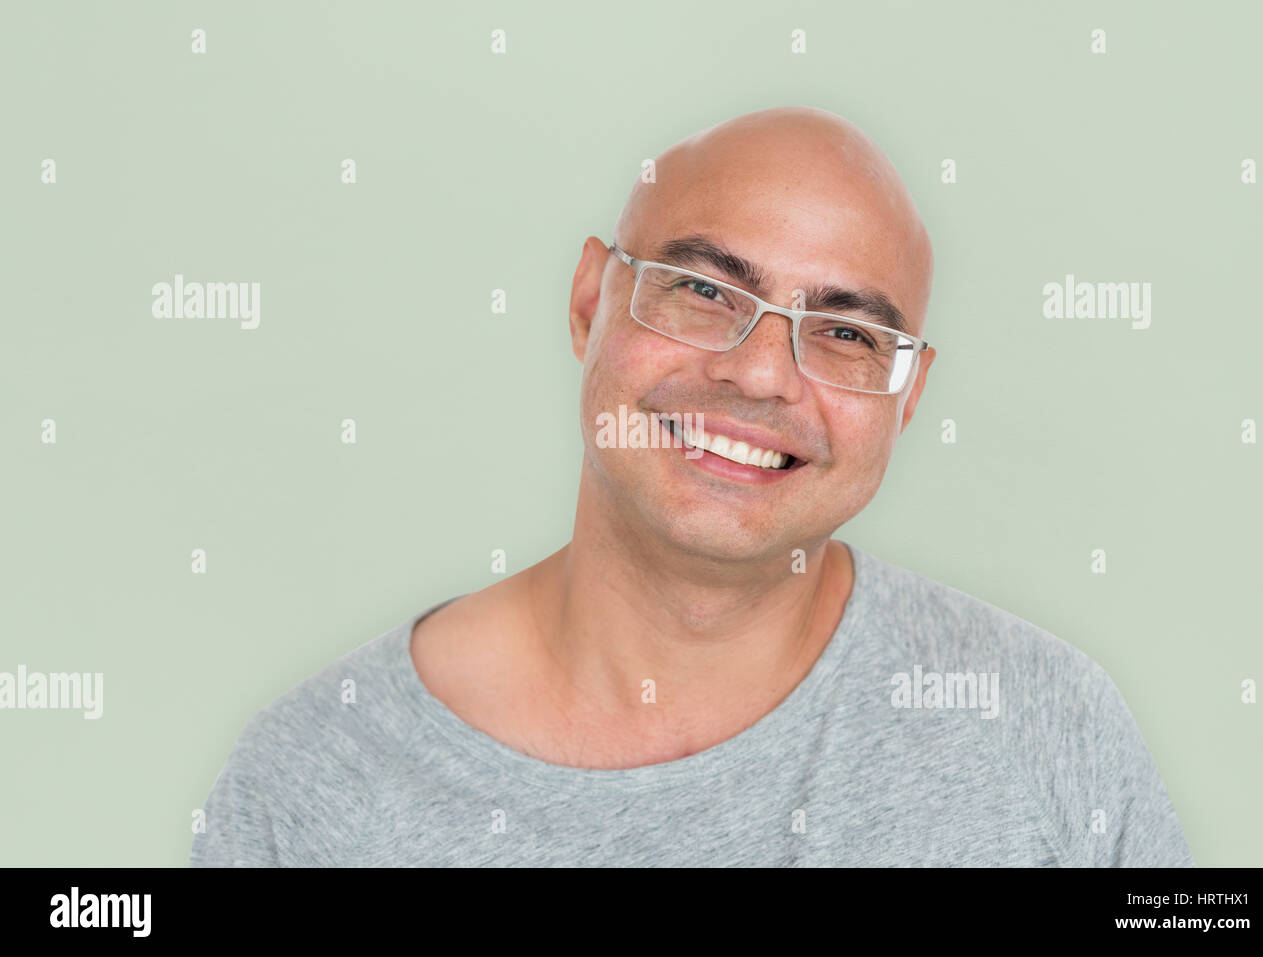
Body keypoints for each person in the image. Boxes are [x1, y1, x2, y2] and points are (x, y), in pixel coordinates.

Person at [191, 106, 1194, 866]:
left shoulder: (1047, 728)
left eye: (846, 333)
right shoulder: (314, 782)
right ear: (592, 301)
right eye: (707, 291)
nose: (759, 374)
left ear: (907, 395)